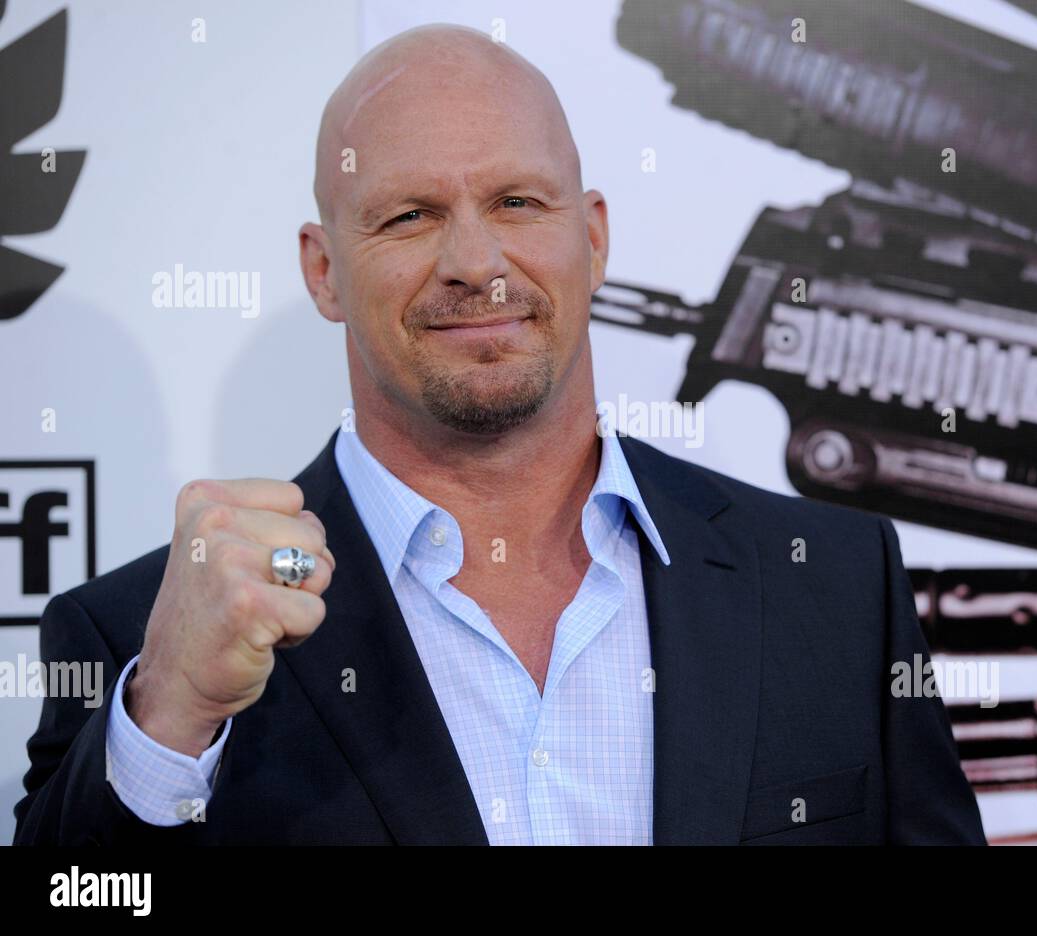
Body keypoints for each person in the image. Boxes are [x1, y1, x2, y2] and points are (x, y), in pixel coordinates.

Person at [14, 24, 985, 845]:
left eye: (518, 202)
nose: (475, 262)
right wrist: (170, 718)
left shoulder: (831, 584)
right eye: (407, 215)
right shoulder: (148, 639)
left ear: (593, 236)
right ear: (322, 269)